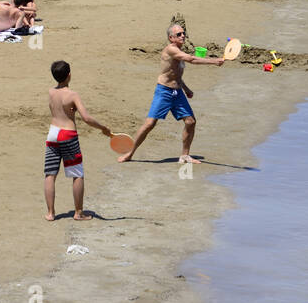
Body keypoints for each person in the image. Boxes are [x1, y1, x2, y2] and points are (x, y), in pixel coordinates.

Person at [118, 22, 227, 165]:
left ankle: (185, 156)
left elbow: (175, 75)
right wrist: (214, 61)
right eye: (179, 34)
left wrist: (186, 89)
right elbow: (191, 59)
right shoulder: (171, 50)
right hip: (164, 91)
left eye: (183, 33)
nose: (183, 36)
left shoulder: (179, 51)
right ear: (171, 38)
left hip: (177, 92)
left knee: (190, 122)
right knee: (149, 124)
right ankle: (129, 153)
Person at [43, 59, 112, 222]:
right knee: (77, 174)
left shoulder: (51, 92)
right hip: (68, 135)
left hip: (52, 133)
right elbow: (86, 118)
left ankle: (50, 213)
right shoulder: (72, 95)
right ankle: (78, 212)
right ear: (69, 75)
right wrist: (103, 128)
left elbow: (55, 108)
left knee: (50, 174)